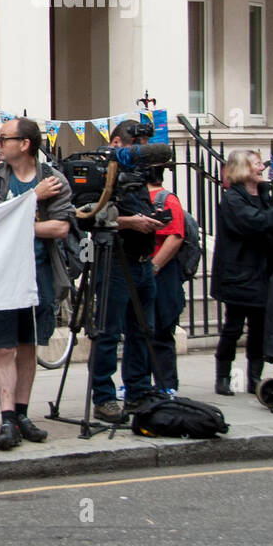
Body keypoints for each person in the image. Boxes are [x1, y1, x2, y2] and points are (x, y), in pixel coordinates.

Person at [0, 117, 73, 449]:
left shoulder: (55, 179)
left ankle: (22, 414)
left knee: (29, 346)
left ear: (25, 144)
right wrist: (33, 199)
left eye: (4, 138)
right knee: (4, 347)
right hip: (1, 274)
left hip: (38, 271)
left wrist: (17, 221)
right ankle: (6, 420)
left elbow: (61, 228)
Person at [88, 120, 163, 423]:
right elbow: (89, 214)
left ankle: (138, 391)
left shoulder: (140, 172)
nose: (142, 149)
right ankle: (104, 398)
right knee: (107, 331)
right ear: (117, 143)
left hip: (144, 261)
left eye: (145, 143)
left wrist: (152, 217)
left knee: (143, 330)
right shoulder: (100, 170)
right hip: (116, 260)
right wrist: (133, 222)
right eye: (137, 143)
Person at [211, 149, 273, 396]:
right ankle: (223, 376)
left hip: (263, 272)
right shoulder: (233, 199)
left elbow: (270, 227)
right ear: (243, 168)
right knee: (232, 328)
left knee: (259, 328)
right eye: (256, 163)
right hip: (238, 275)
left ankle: (254, 378)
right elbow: (254, 223)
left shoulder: (264, 195)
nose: (262, 167)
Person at [146, 167, 187, 394]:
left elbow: (175, 237)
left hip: (162, 276)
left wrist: (154, 266)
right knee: (142, 332)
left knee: (161, 331)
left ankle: (166, 385)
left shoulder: (166, 199)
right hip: (145, 274)